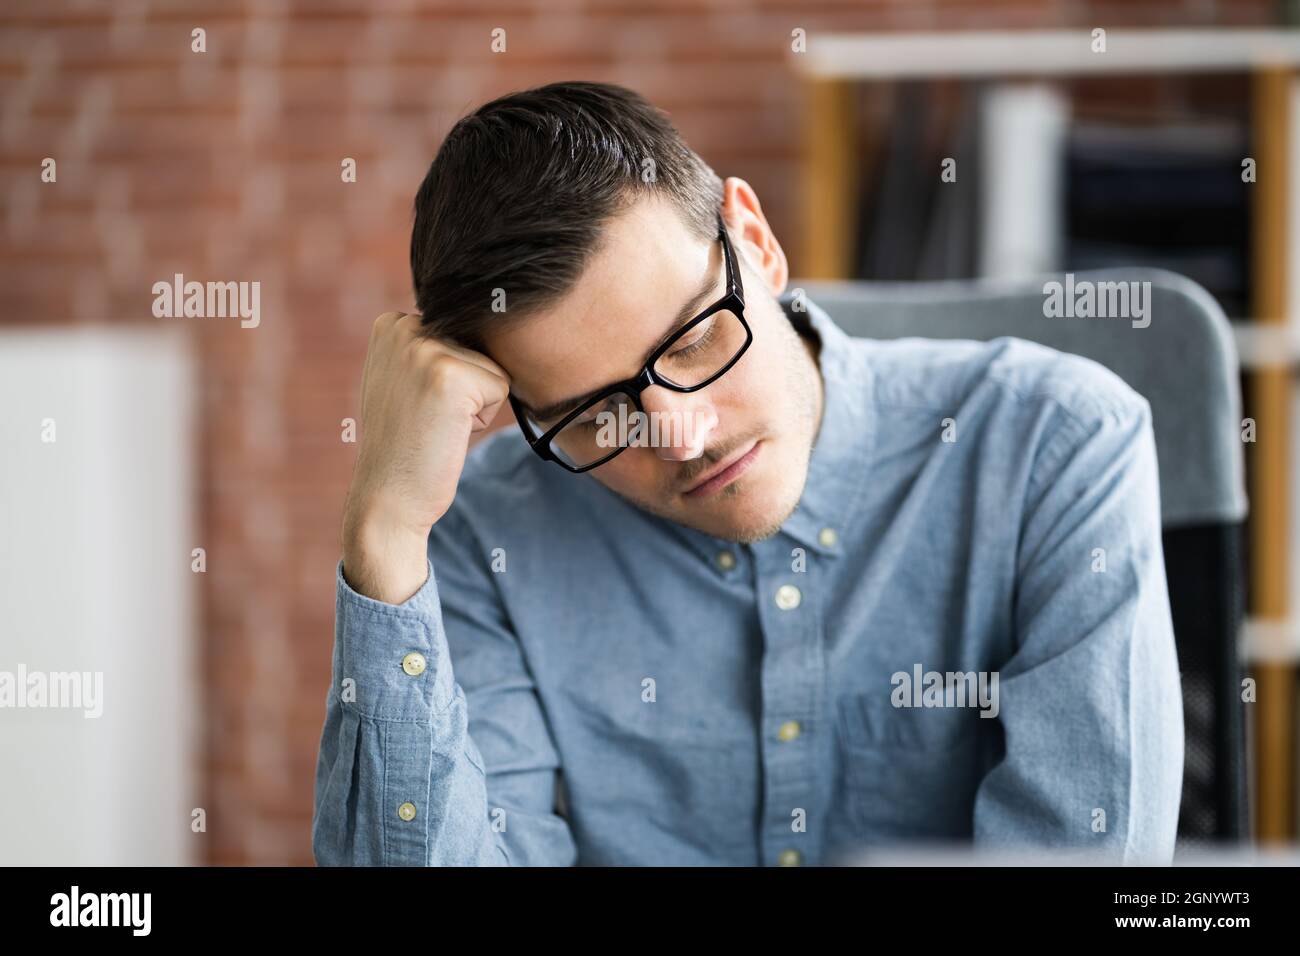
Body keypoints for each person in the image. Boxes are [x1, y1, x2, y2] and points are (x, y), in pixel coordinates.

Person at [311, 81, 1183, 866]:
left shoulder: (1056, 444)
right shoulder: (483, 536)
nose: (682, 434)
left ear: (757, 242)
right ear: (531, 416)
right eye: (595, 414)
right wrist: (385, 531)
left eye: (694, 341)